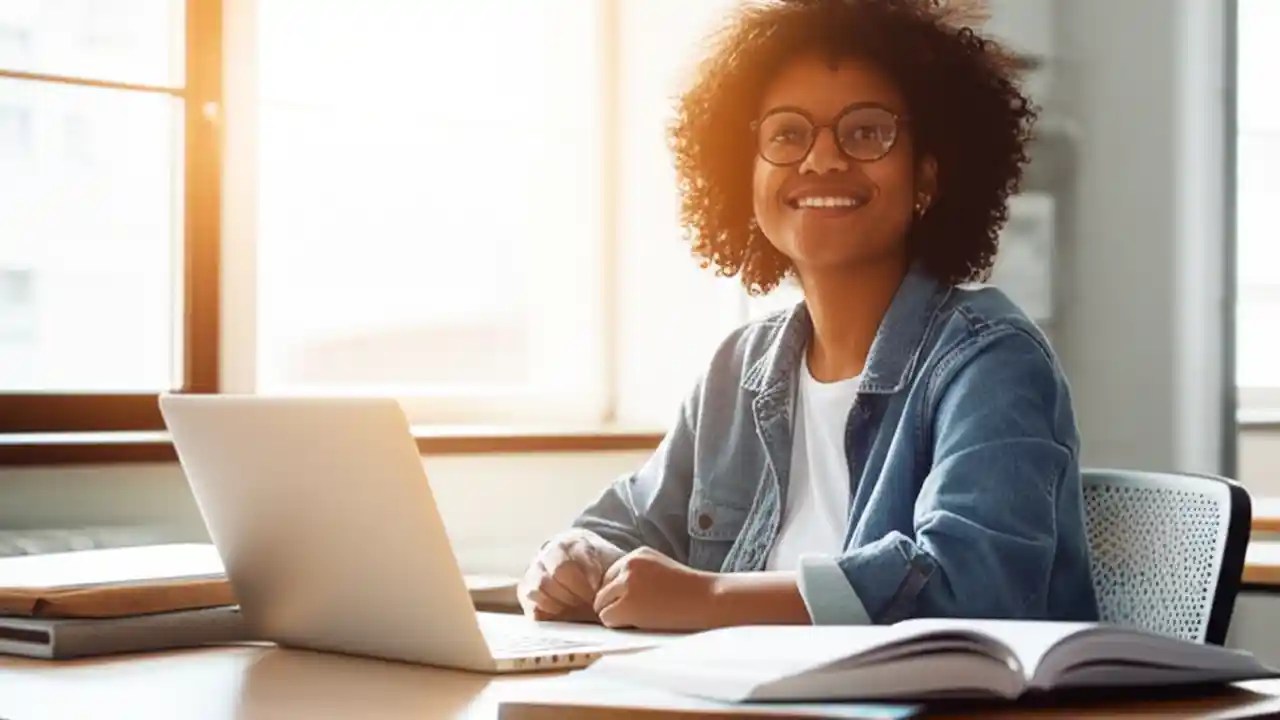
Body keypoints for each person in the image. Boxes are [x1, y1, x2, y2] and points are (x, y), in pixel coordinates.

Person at [518, 0, 1099, 630]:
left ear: (928, 175)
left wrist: (710, 601)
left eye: (867, 131)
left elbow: (970, 587)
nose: (821, 159)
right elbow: (625, 526)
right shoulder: (738, 370)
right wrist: (571, 558)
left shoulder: (991, 362)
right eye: (788, 134)